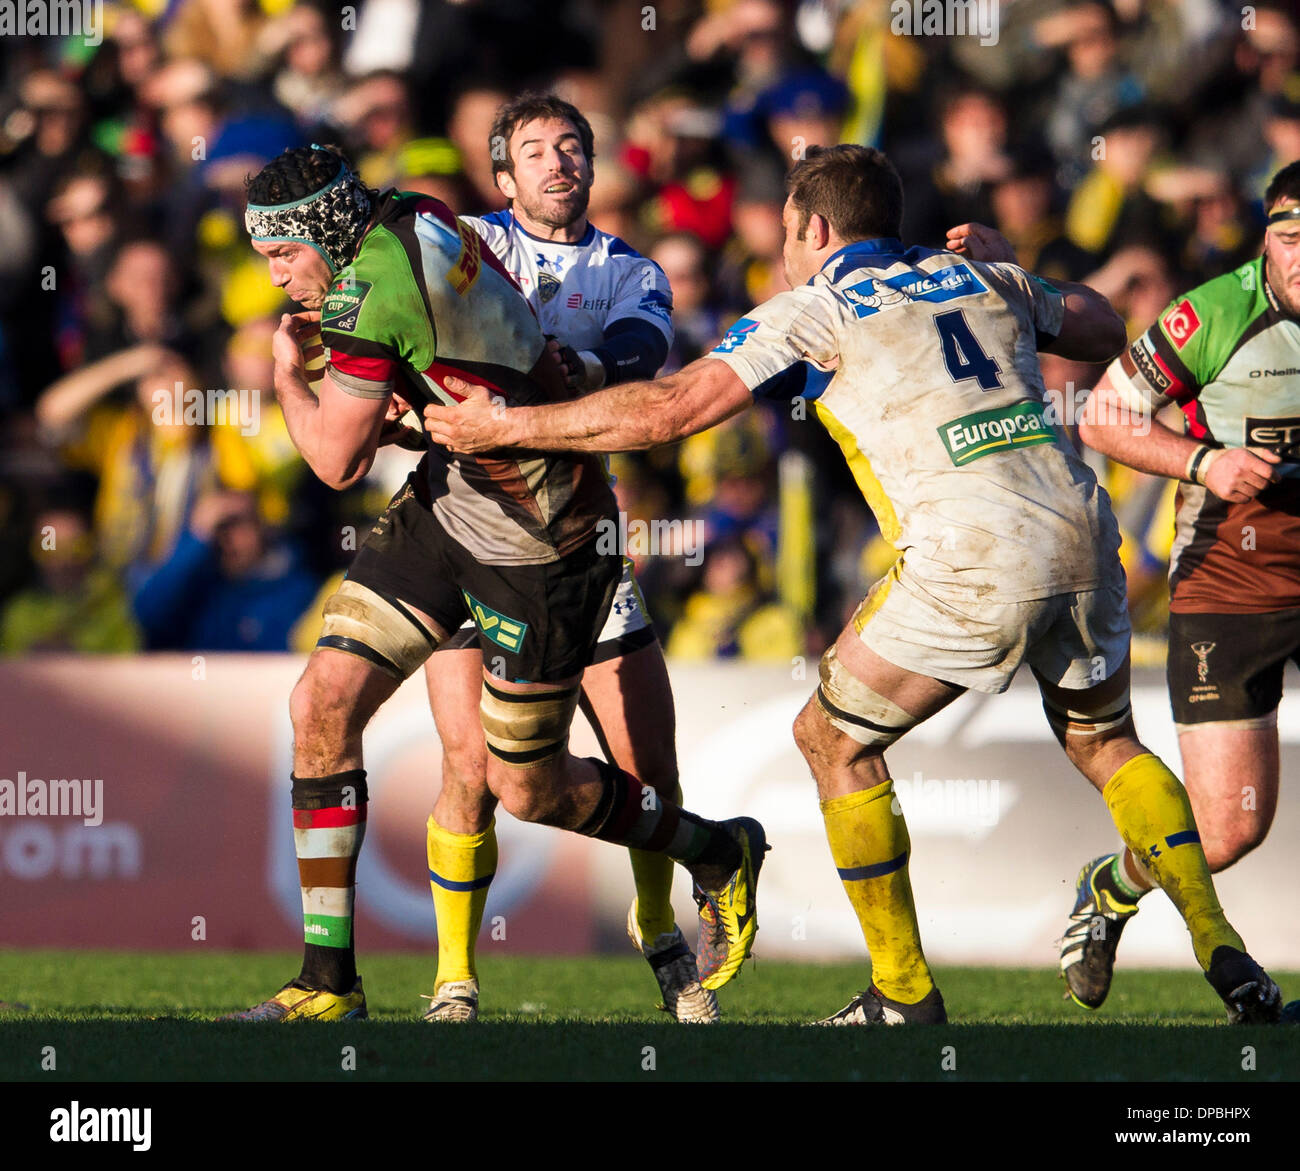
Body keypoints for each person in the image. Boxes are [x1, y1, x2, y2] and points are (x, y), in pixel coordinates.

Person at [424, 144, 1282, 1026]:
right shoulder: (980, 278)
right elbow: (1105, 330)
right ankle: (1225, 953)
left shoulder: (813, 308)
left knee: (829, 738)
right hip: (1081, 531)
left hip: (971, 548)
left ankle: (903, 992)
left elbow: (669, 410)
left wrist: (507, 424)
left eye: (791, 232)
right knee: (1107, 745)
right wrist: (1007, 262)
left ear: (814, 227)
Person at [223, 144, 765, 1022]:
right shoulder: (417, 211)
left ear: (323, 231)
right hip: (454, 497)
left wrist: (287, 378)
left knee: (529, 790)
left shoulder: (368, 297)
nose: (276, 279)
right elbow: (462, 363)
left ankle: (718, 849)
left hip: (538, 538)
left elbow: (330, 460)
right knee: (321, 702)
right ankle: (329, 984)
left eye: (283, 255)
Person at [408, 94, 723, 1024]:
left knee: (648, 765)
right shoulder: (459, 244)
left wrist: (539, 378)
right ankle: (455, 978)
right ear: (502, 177)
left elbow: (635, 362)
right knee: (469, 766)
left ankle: (658, 928)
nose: (558, 164)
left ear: (593, 165)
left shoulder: (630, 270)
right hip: (465, 532)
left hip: (581, 535)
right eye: (535, 152)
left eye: (572, 147)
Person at [1057, 160, 1300, 1014]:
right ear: (1265, 237)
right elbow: (1102, 415)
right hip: (1232, 574)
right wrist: (1205, 460)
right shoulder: (1213, 314)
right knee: (1230, 827)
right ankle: (1114, 883)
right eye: (1290, 237)